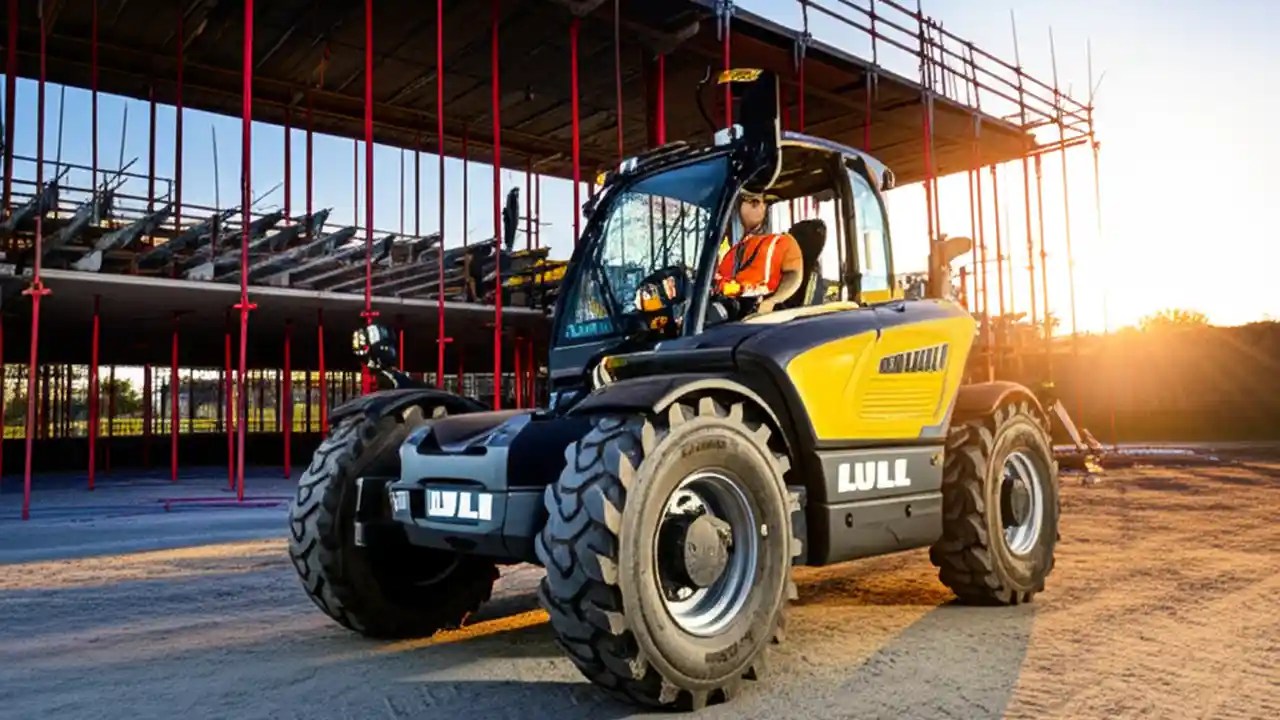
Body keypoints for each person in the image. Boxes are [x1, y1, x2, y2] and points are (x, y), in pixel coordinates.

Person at [714, 191, 804, 313]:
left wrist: (771, 301)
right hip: (730, 314)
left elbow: (793, 275)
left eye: (755, 202)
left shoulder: (782, 242)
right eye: (747, 202)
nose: (753, 206)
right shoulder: (732, 253)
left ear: (765, 207)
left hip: (764, 317)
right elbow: (720, 284)